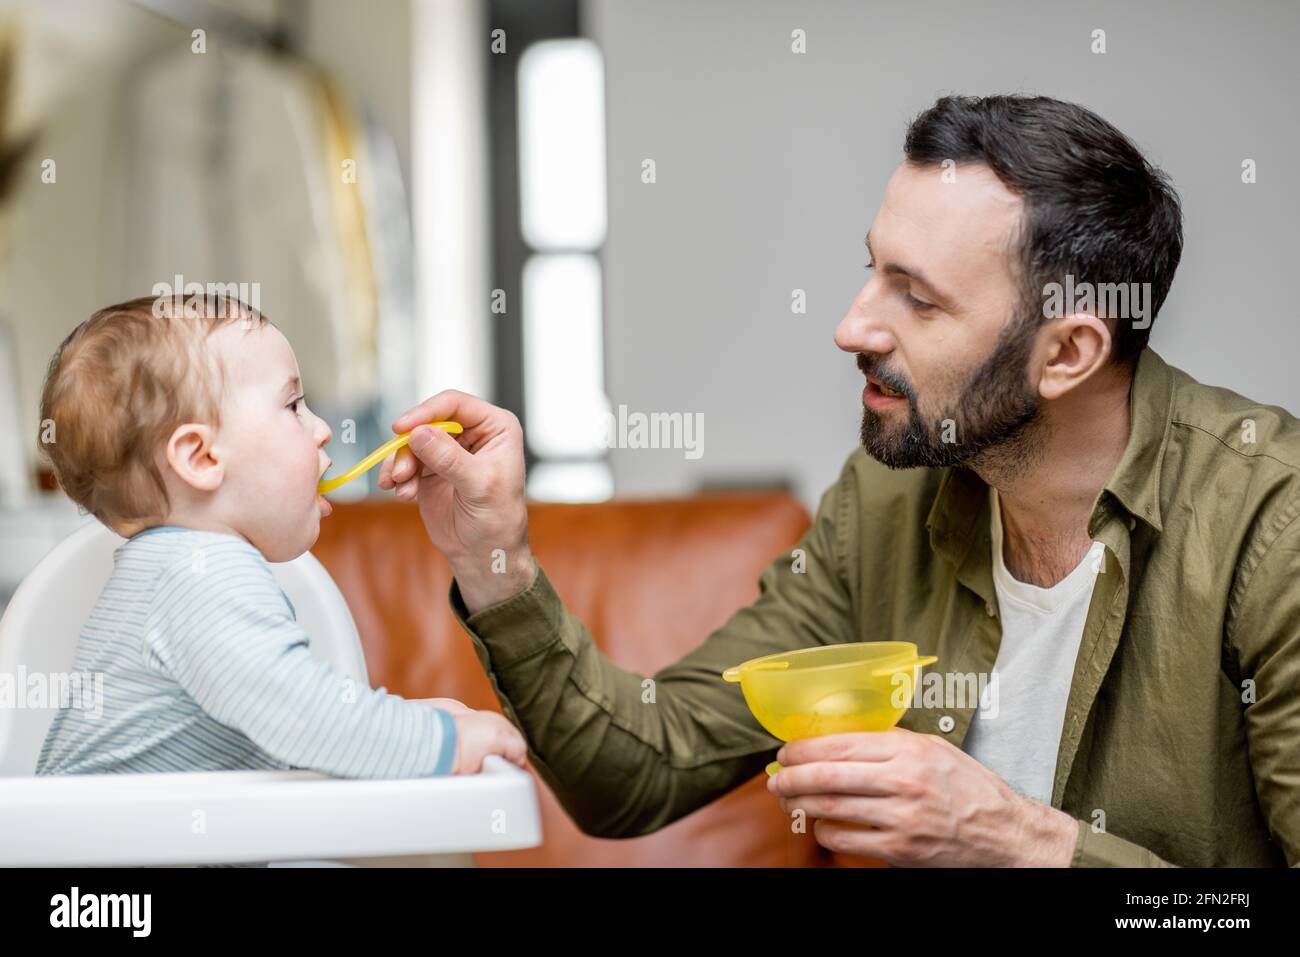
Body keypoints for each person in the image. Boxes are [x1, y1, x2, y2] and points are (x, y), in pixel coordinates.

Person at [378, 95, 1299, 867]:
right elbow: (638, 772)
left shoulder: (1273, 528)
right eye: (873, 271)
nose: (853, 326)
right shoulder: (887, 500)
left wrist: (1021, 839)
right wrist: (491, 555)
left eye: (918, 296)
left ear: (1068, 352)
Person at [35, 294, 527, 780]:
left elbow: (268, 743)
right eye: (293, 405)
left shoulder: (170, 568)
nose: (322, 430)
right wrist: (443, 741)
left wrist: (412, 719)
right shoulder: (200, 574)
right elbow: (305, 720)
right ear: (202, 458)